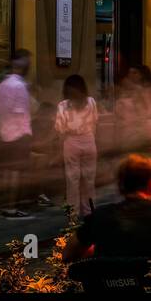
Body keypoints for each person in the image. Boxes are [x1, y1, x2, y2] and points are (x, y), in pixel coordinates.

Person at [0, 49, 34, 217]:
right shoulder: (20, 86)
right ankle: (12, 206)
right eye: (27, 62)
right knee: (16, 172)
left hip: (3, 133)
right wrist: (28, 135)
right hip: (18, 135)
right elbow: (22, 113)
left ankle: (5, 205)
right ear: (21, 64)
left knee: (7, 171)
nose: (29, 65)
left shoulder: (1, 85)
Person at [54, 75, 99, 215]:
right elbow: (95, 122)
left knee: (72, 180)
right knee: (89, 180)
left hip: (71, 142)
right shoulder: (91, 102)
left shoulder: (63, 105)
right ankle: (89, 211)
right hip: (89, 140)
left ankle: (73, 214)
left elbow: (60, 129)